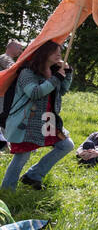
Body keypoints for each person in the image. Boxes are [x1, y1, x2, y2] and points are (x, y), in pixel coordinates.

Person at [2, 40, 76, 191]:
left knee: (66, 145)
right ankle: (7, 190)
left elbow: (62, 91)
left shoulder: (54, 71)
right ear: (44, 53)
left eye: (60, 52)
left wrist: (66, 73)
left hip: (48, 120)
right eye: (55, 52)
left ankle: (34, 175)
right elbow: (35, 92)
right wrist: (57, 78)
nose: (59, 55)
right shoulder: (27, 72)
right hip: (26, 122)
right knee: (22, 156)